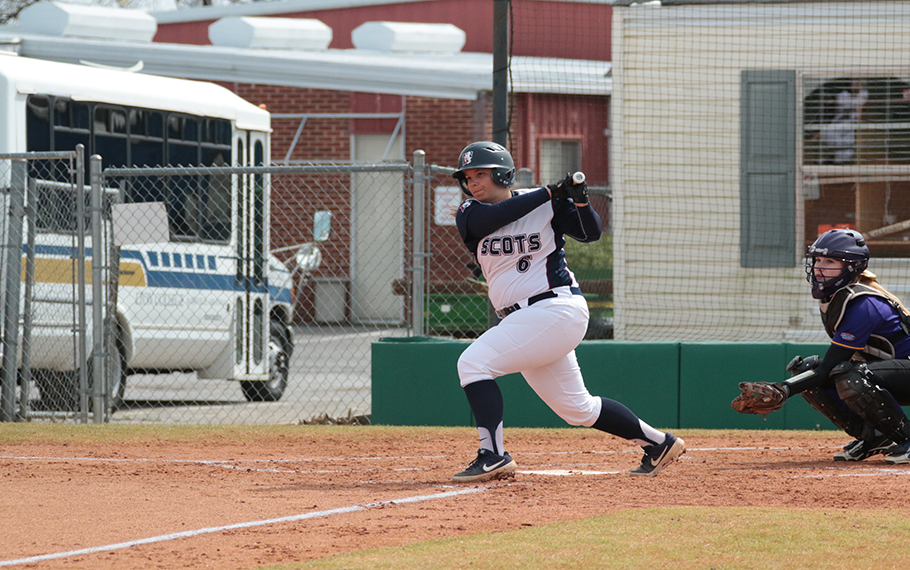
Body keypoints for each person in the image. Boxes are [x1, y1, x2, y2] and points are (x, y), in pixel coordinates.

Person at [449, 141, 686, 483]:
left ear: (503, 174)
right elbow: (499, 216)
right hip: (525, 320)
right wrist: (550, 191)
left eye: (481, 174)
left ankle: (492, 455)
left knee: (472, 363)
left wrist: (578, 198)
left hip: (555, 308)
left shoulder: (543, 203)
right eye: (468, 177)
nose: (473, 183)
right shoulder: (470, 212)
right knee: (578, 409)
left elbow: (590, 233)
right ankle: (658, 443)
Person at [739, 229, 910, 464]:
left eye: (829, 261)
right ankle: (875, 436)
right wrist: (789, 386)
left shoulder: (863, 304)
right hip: (891, 373)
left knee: (850, 375)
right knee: (805, 369)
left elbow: (829, 366)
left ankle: (906, 438)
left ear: (851, 266)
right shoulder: (835, 298)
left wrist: (783, 389)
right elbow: (824, 369)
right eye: (817, 259)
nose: (819, 266)